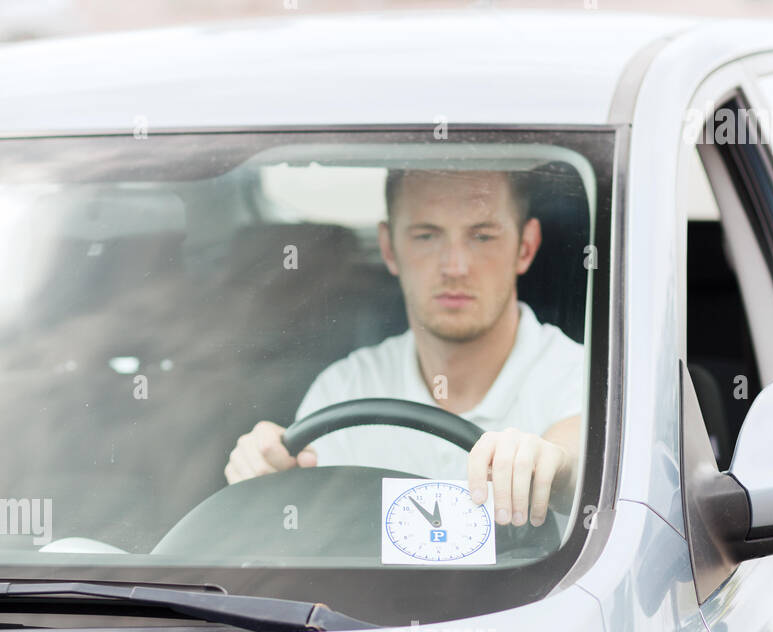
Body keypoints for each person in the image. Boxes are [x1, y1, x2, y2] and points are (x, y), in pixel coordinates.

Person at [225, 168, 584, 528]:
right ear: (389, 248)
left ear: (525, 247)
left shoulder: (583, 379)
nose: (455, 267)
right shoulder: (346, 389)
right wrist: (266, 475)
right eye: (427, 235)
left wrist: (557, 466)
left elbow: (576, 446)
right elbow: (305, 537)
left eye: (482, 236)